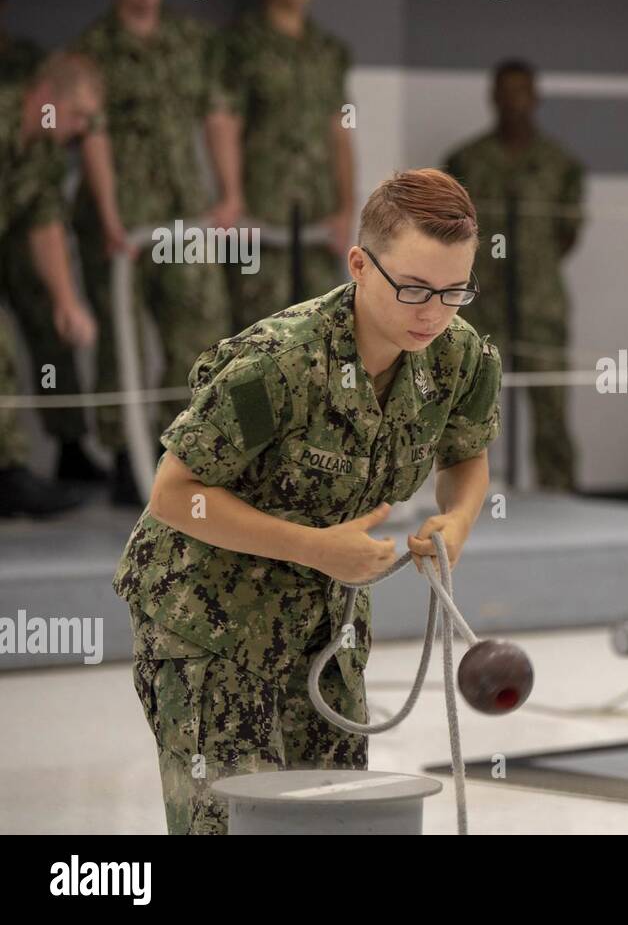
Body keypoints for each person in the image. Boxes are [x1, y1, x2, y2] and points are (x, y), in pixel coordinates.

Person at [114, 168, 501, 834]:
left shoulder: (457, 358)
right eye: (412, 287)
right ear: (358, 263)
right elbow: (175, 496)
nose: (432, 312)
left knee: (335, 819)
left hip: (325, 628)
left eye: (453, 291)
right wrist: (317, 548)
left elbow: (466, 457)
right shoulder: (280, 363)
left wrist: (458, 520)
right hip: (209, 623)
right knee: (233, 822)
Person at [71, 0, 241, 504]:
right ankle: (125, 456)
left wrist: (230, 194)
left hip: (186, 212)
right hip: (118, 219)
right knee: (121, 338)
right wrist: (112, 219)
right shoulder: (92, 47)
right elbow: (91, 136)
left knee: (198, 325)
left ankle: (181, 447)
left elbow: (217, 116)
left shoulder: (192, 41)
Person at [443, 59, 584, 490]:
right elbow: (449, 230)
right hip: (480, 303)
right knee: (466, 400)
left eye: (523, 91)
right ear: (493, 97)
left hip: (540, 302)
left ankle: (560, 497)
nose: (514, 101)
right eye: (506, 91)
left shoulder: (561, 164)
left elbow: (567, 233)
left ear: (535, 98)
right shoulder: (465, 159)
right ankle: (460, 497)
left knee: (551, 404)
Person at [213, 0, 353, 329]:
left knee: (324, 330)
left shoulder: (329, 50)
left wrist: (346, 208)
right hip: (262, 210)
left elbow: (340, 129)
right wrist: (233, 197)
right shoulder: (241, 42)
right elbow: (225, 123)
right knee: (260, 333)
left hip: (318, 213)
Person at [0, 0, 104, 482]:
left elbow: (43, 223)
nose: (83, 130)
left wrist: (66, 301)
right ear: (47, 96)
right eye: (80, 114)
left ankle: (56, 452)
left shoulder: (41, 148)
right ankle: (10, 471)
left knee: (45, 313)